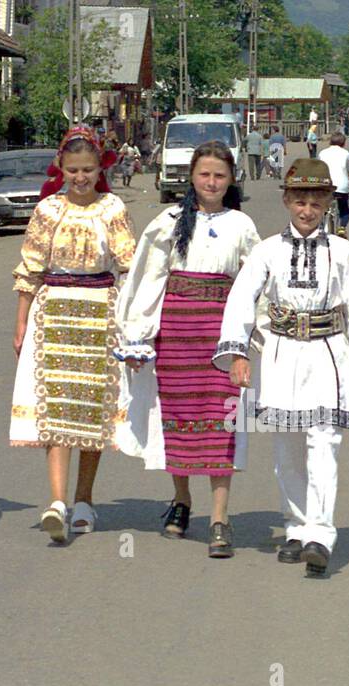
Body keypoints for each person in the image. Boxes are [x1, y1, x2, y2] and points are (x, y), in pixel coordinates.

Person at [213, 158, 349, 577]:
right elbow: (241, 299)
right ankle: (295, 526)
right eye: (299, 201)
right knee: (286, 448)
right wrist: (239, 353)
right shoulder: (268, 250)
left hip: (328, 351)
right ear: (286, 200)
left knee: (324, 443)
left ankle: (320, 532)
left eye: (315, 202)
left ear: (327, 204)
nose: (306, 210)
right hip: (281, 353)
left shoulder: (344, 253)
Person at [115, 141, 260, 556]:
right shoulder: (168, 221)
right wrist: (138, 334)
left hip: (221, 335)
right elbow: (147, 278)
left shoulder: (242, 226)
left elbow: (255, 286)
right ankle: (180, 500)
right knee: (177, 417)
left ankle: (219, 517)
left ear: (231, 180)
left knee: (221, 420)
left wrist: (250, 339)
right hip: (176, 333)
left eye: (219, 175)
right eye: (204, 174)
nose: (211, 182)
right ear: (191, 177)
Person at [9, 125, 137, 544]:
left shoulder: (112, 207)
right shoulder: (47, 210)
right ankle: (57, 501)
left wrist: (133, 320)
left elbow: (128, 263)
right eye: (72, 170)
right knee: (57, 406)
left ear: (100, 169)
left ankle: (85, 498)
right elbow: (31, 266)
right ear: (60, 169)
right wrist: (21, 320)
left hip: (100, 312)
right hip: (55, 312)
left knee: (91, 407)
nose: (80, 177)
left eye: (87, 169)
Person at [318, 132, 349, 233]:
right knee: (345, 210)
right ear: (343, 143)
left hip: (325, 186)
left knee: (319, 207)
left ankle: (320, 227)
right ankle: (342, 228)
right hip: (341, 188)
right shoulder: (346, 154)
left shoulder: (322, 153)